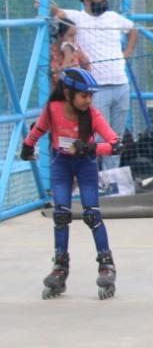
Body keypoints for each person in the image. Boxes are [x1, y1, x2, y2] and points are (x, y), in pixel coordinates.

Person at [20, 68, 121, 300]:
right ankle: (60, 268)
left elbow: (116, 144)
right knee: (61, 214)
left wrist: (91, 148)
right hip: (62, 164)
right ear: (67, 93)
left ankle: (106, 264)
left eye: (91, 95)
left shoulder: (92, 114)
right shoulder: (53, 109)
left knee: (92, 214)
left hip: (85, 164)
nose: (89, 100)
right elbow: (39, 128)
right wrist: (27, 146)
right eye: (84, 95)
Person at [52, 0, 137, 169]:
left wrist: (127, 53)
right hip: (96, 89)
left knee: (116, 137)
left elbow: (133, 30)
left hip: (121, 84)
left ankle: (111, 176)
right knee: (97, 136)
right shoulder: (78, 18)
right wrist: (48, 7)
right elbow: (57, 12)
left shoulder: (113, 17)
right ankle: (94, 176)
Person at [49, 17, 90, 84]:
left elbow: (87, 66)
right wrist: (68, 56)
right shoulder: (52, 53)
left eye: (74, 35)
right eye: (71, 36)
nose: (74, 39)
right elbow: (58, 80)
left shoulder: (75, 48)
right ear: (59, 36)